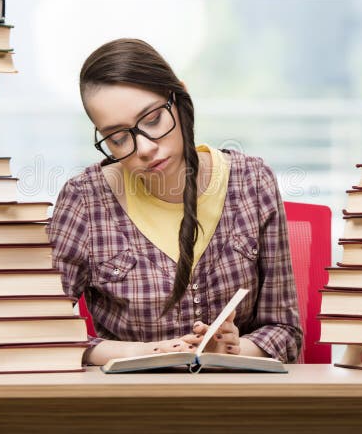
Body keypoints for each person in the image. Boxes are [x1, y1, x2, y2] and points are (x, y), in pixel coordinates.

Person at [47, 38, 301, 366]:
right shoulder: (84, 200)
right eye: (118, 138)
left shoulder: (252, 182)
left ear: (179, 97)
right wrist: (141, 352)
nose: (144, 148)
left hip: (236, 399)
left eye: (153, 120)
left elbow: (285, 330)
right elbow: (42, 331)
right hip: (130, 402)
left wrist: (233, 351)